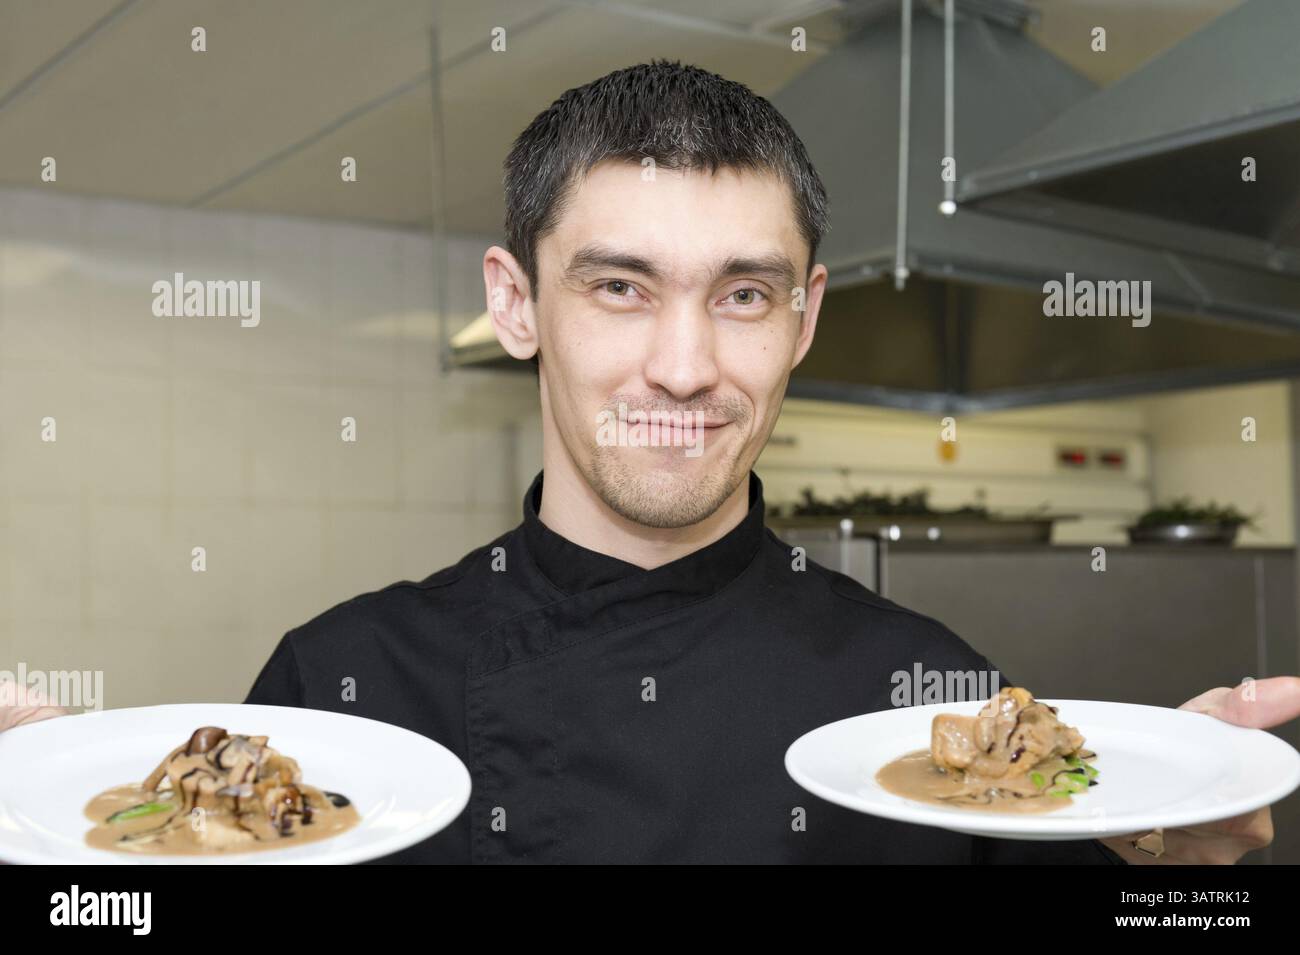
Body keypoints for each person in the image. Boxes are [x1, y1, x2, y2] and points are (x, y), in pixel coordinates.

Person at [3, 61, 1290, 864]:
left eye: (742, 294)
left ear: (804, 320)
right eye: (620, 286)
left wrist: (1175, 886)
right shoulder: (342, 679)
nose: (683, 366)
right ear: (517, 305)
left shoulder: (933, 696)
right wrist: (69, 870)